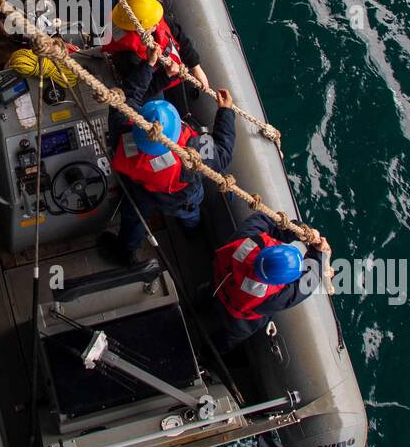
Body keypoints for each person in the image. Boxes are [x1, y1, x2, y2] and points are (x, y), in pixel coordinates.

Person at [100, 90, 235, 265]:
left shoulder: (123, 136)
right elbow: (223, 154)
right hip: (182, 197)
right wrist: (225, 112)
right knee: (190, 212)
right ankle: (192, 231)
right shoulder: (192, 149)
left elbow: (122, 104)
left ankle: (126, 250)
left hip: (145, 192)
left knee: (134, 216)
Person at [209, 213, 330, 352]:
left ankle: (198, 303)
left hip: (219, 284)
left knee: (208, 294)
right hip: (237, 318)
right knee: (231, 336)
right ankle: (209, 352)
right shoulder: (273, 297)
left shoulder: (248, 239)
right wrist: (318, 254)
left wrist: (298, 230)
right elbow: (304, 285)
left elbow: (263, 220)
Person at [100, 0, 209, 100]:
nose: (157, 23)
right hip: (153, 78)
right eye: (152, 23)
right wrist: (166, 76)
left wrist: (195, 66)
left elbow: (179, 35)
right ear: (139, 28)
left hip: (172, 66)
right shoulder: (127, 56)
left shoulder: (152, 16)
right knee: (154, 101)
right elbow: (141, 89)